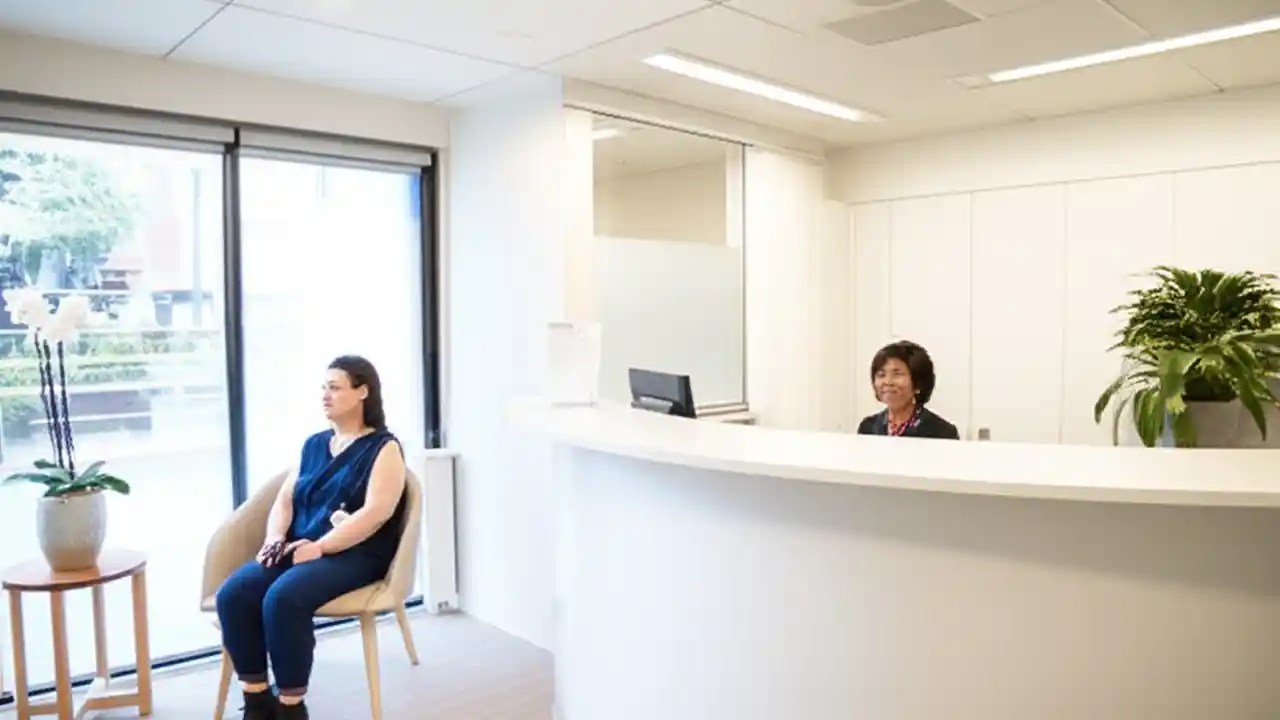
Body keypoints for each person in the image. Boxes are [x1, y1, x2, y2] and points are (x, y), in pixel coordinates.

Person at [215, 355, 407, 719]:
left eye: (334, 388)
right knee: (234, 594)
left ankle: (291, 706)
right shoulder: (314, 444)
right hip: (301, 547)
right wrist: (275, 538)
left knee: (283, 598)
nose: (325, 395)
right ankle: (257, 701)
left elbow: (376, 513)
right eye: (324, 388)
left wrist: (321, 546)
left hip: (355, 553)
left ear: (362, 392)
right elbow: (285, 498)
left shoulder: (384, 448)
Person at [857, 340, 960, 440]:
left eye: (897, 374)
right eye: (881, 375)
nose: (888, 382)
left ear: (918, 382)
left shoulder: (942, 432)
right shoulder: (868, 427)